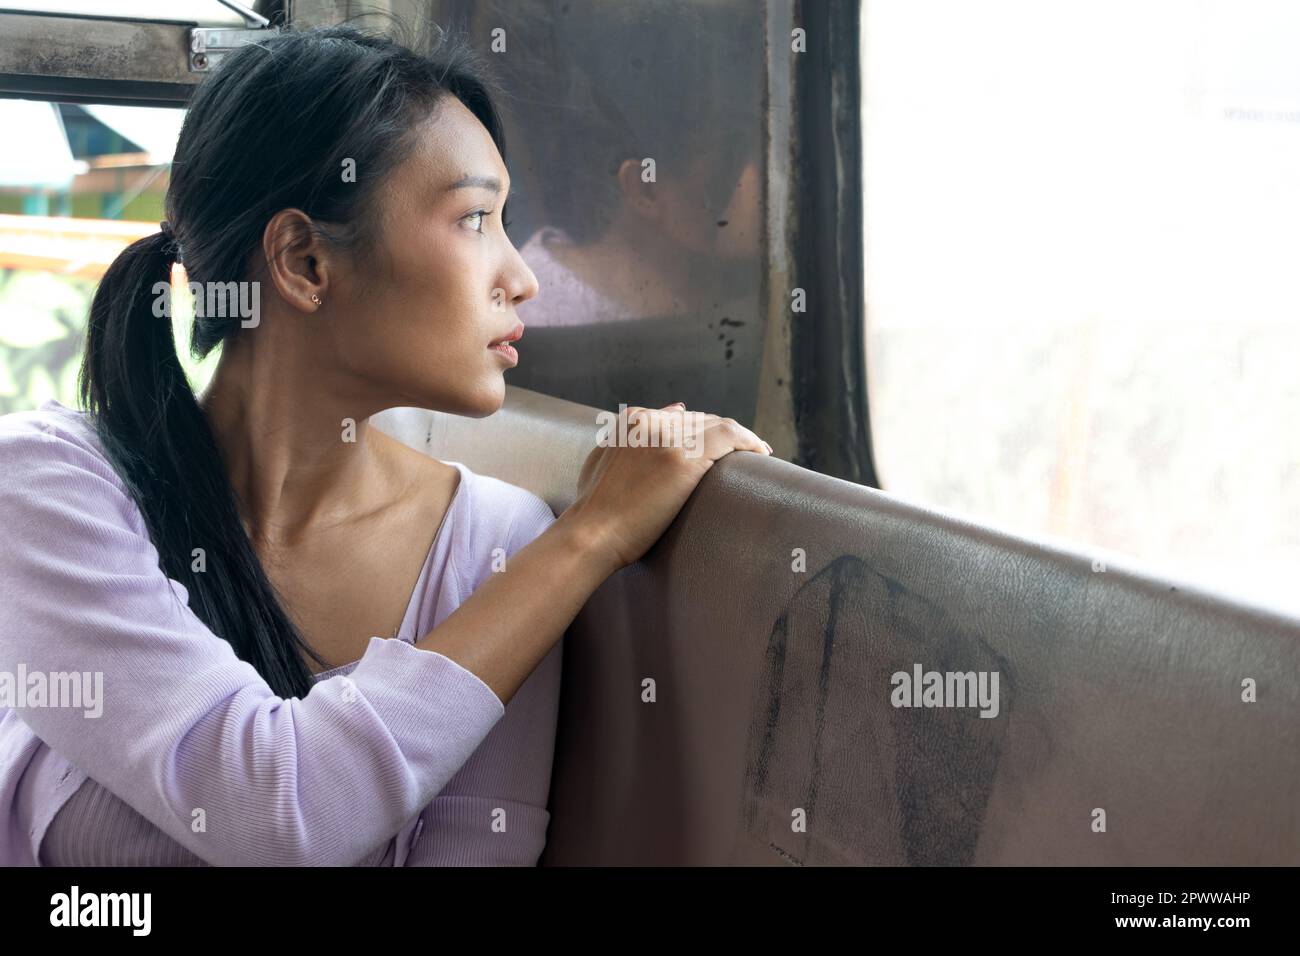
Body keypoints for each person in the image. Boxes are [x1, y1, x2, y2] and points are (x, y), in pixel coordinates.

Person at [0, 23, 770, 867]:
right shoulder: (47, 487)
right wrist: (592, 535)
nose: (522, 276)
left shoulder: (498, 549)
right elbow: (265, 811)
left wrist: (567, 545)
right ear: (305, 263)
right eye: (476, 218)